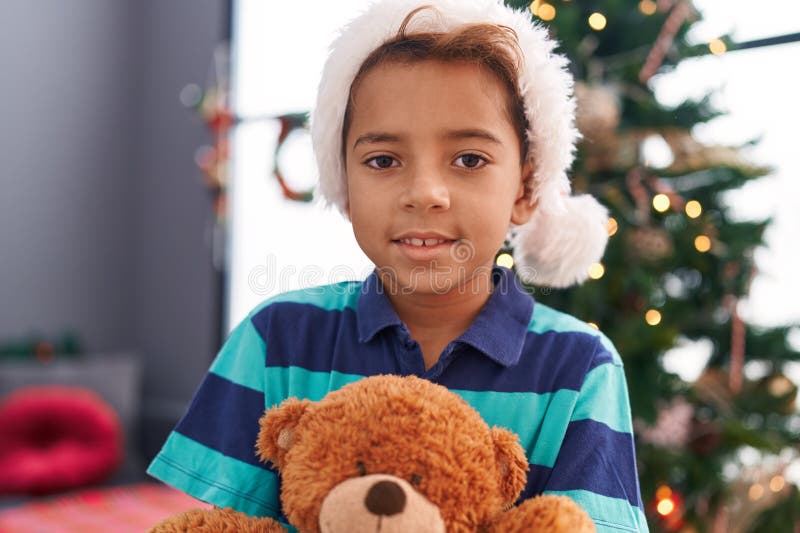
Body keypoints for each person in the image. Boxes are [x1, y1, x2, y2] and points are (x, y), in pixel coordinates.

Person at [148, 0, 647, 531]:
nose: (424, 193)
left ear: (525, 189)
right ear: (343, 180)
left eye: (469, 159)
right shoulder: (276, 338)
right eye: (383, 161)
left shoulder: (580, 366)